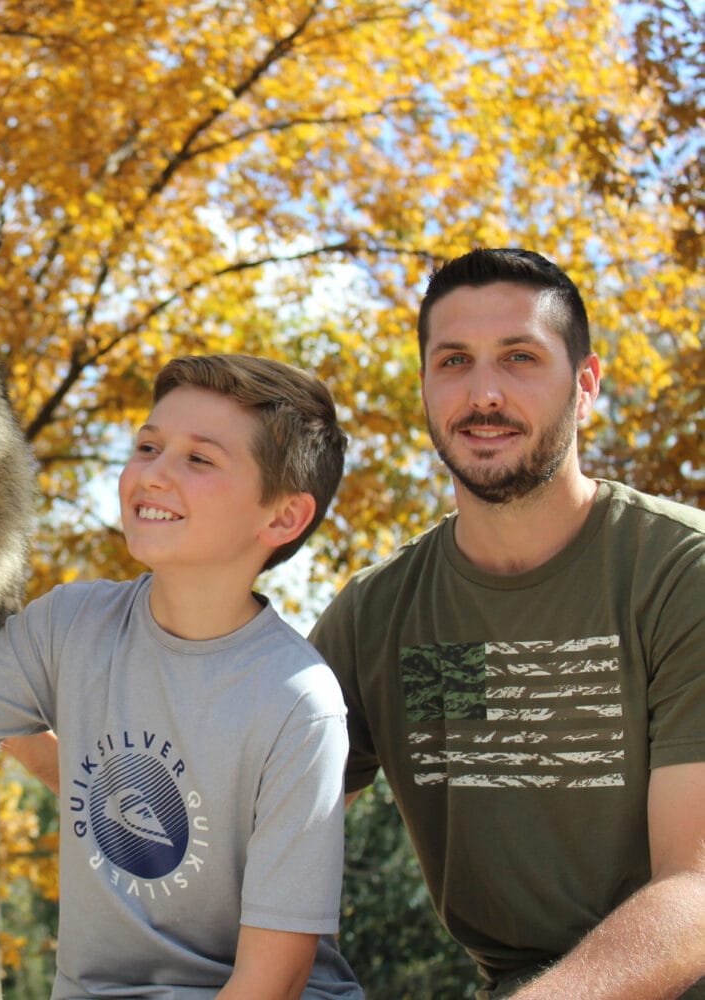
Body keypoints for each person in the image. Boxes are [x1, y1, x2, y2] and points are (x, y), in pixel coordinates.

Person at [0, 354, 362, 999]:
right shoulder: (71, 627)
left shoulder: (297, 704)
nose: (154, 473)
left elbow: (269, 986)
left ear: (282, 518)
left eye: (199, 460)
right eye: (147, 445)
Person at [309, 248, 705, 999]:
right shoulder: (379, 615)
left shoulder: (681, 573)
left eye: (520, 357)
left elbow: (698, 894)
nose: (483, 393)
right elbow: (240, 807)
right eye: (453, 361)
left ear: (585, 386)